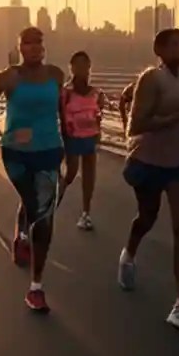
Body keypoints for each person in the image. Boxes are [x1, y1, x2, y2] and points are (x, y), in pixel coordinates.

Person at [118, 28, 179, 329]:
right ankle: (129, 254)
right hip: (150, 160)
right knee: (147, 216)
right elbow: (137, 124)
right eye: (174, 44)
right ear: (160, 49)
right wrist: (177, 117)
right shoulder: (151, 79)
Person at [0, 27, 67, 313]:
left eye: (38, 42)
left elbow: (63, 116)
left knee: (43, 216)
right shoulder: (8, 77)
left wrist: (72, 152)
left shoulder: (56, 75)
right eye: (27, 43)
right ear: (19, 47)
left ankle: (36, 287)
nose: (33, 47)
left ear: (44, 46)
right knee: (31, 202)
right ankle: (22, 235)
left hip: (49, 151)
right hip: (15, 154)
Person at [61, 51, 107, 231]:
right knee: (70, 174)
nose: (82, 69)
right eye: (78, 65)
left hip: (90, 137)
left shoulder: (96, 93)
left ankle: (86, 213)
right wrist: (63, 139)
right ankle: (51, 204)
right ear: (71, 68)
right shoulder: (65, 93)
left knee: (89, 176)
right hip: (71, 138)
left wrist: (98, 132)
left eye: (85, 65)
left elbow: (98, 115)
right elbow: (61, 116)